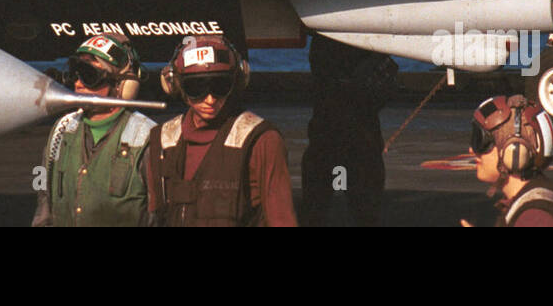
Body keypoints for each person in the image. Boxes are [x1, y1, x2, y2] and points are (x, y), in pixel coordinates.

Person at [147, 34, 297, 227]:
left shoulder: (262, 139)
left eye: (220, 86)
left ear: (235, 83)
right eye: (196, 87)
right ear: (175, 85)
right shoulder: (162, 139)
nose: (210, 99)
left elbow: (282, 219)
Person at [32, 31, 155, 226]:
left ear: (121, 84)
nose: (78, 83)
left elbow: (157, 216)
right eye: (76, 72)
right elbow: (44, 200)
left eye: (89, 75)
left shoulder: (146, 137)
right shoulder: (62, 130)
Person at [300, 33, 397, 226]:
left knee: (318, 205)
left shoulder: (325, 42)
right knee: (363, 207)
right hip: (354, 132)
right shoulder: (362, 43)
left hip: (333, 130)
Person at [461, 94, 553, 227]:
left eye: (481, 142)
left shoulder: (535, 218)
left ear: (513, 150)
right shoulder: (530, 202)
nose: (472, 150)